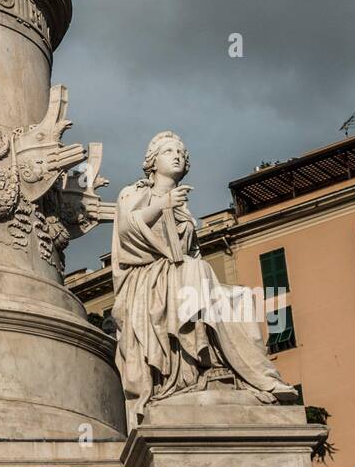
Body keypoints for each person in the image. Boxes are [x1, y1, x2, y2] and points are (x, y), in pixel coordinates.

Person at [111, 131, 298, 426]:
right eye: (169, 151)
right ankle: (195, 368)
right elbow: (127, 231)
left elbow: (191, 253)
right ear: (152, 161)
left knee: (243, 299)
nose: (177, 156)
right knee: (199, 271)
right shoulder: (134, 193)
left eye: (182, 153)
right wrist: (163, 204)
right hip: (147, 278)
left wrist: (175, 208)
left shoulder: (183, 206)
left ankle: (257, 377)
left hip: (180, 277)